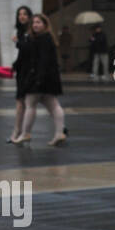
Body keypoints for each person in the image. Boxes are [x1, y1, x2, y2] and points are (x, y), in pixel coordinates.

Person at [11, 12, 67, 146]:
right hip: (49, 78)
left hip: (40, 77)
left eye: (38, 22)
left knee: (30, 104)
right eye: (33, 23)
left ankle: (25, 133)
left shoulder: (43, 39)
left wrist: (37, 79)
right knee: (53, 105)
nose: (35, 25)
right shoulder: (46, 38)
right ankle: (59, 133)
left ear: (45, 24)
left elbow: (43, 61)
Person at [7, 5, 32, 142]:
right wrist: (15, 65)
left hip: (30, 71)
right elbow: (23, 53)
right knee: (23, 102)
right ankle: (19, 132)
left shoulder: (30, 31)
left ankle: (19, 132)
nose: (22, 16)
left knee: (27, 102)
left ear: (29, 16)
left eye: (24, 14)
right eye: (19, 14)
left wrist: (17, 42)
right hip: (23, 70)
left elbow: (27, 49)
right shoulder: (21, 31)